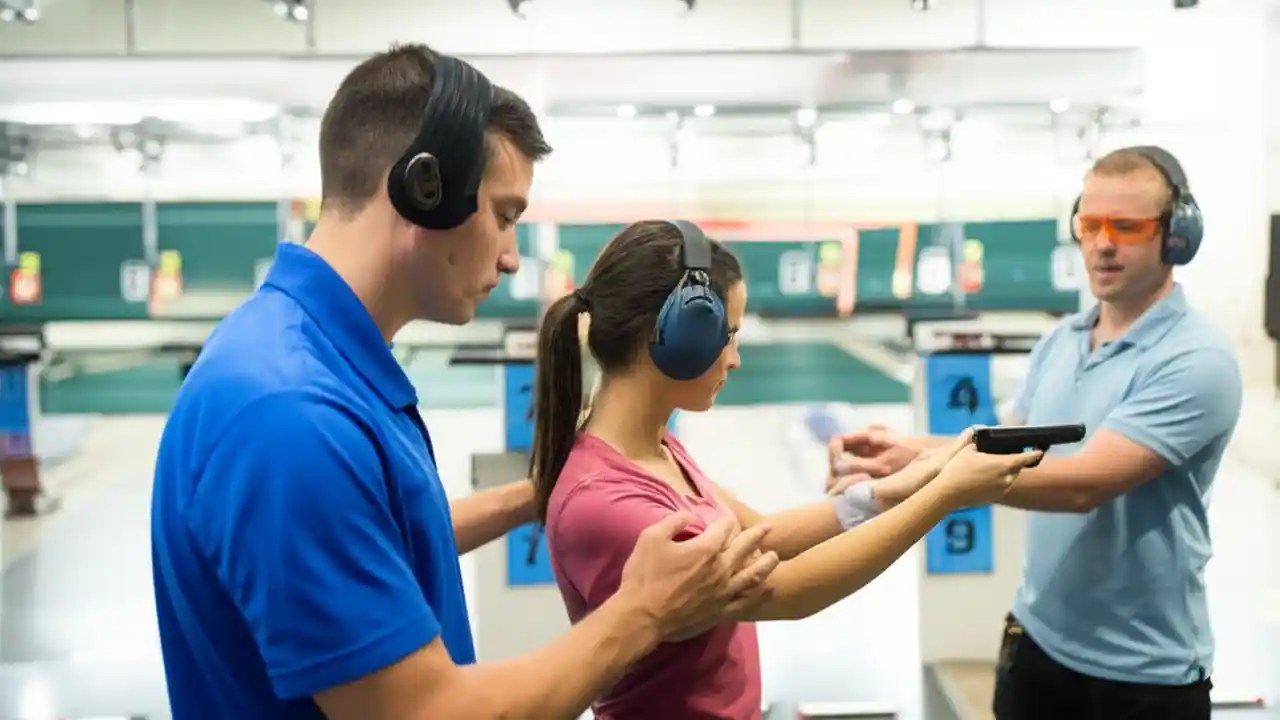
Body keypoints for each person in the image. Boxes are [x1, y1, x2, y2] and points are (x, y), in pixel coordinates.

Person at [149, 44, 782, 720]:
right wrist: (644, 611)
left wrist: (531, 497)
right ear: (426, 189)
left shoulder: (311, 361)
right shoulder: (291, 415)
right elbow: (425, 713)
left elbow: (375, 540)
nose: (511, 256)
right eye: (505, 215)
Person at [529, 219, 1044, 719]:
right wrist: (943, 498)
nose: (733, 358)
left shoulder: (654, 450)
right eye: (725, 334)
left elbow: (760, 535)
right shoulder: (606, 502)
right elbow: (787, 590)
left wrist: (895, 490)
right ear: (676, 333)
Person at [829, 146, 1243, 720]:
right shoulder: (1061, 340)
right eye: (1090, 224)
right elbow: (1011, 442)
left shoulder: (1197, 359)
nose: (1102, 243)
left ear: (1176, 238)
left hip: (1144, 674)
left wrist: (938, 477)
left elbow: (1081, 486)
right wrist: (910, 451)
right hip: (1037, 642)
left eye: (1126, 226)